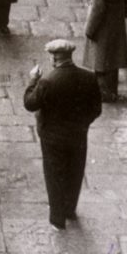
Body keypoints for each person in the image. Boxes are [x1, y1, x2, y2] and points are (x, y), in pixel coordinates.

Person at [23, 38, 103, 229]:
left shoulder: (47, 82)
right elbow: (96, 109)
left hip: (52, 138)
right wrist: (84, 123)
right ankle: (69, 209)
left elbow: (30, 103)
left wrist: (32, 81)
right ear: (70, 56)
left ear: (54, 58)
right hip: (78, 135)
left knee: (54, 174)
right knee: (75, 172)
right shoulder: (89, 77)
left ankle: (57, 219)